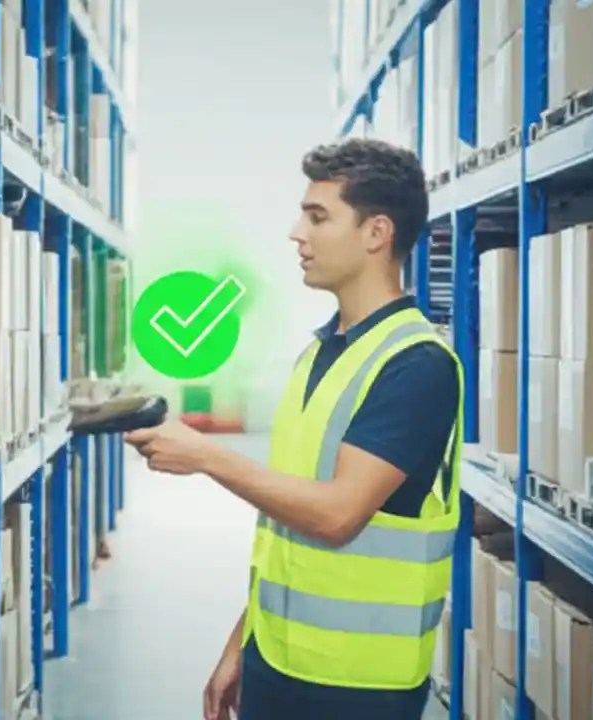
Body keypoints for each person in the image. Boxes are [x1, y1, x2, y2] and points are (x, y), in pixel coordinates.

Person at [124, 138, 463, 720]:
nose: (295, 233)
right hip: (279, 662)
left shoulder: (416, 365)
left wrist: (206, 456)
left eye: (317, 216)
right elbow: (287, 532)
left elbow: (336, 515)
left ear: (377, 233)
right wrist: (243, 644)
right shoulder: (322, 354)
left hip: (356, 688)